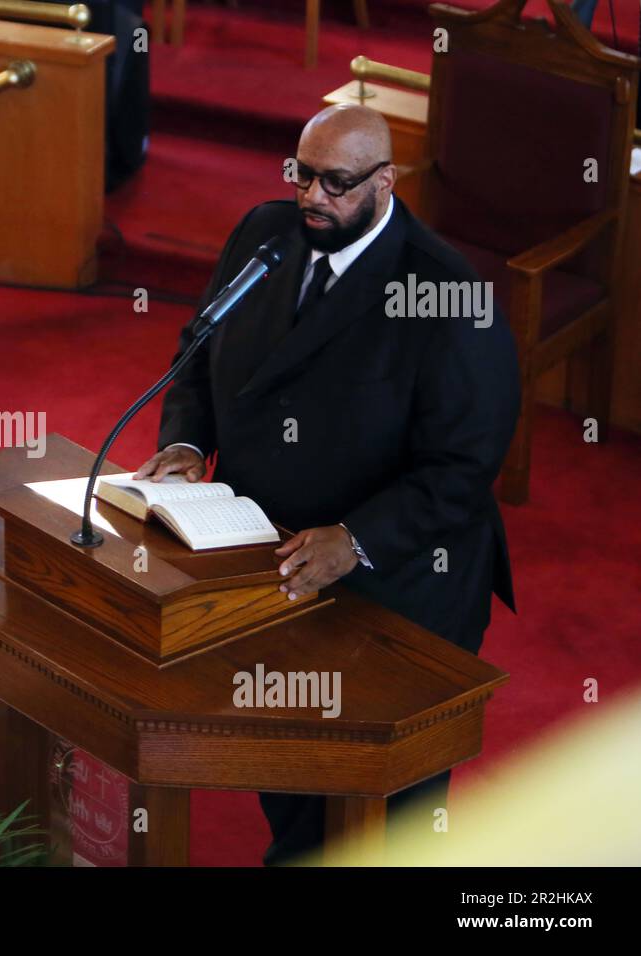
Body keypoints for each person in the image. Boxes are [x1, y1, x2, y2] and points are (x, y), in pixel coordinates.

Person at [134, 104, 521, 864]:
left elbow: (466, 465)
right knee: (289, 770)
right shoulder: (264, 233)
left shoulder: (444, 290)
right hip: (272, 555)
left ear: (385, 182)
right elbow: (200, 347)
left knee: (373, 816)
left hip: (400, 584)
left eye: (336, 184)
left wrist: (358, 539)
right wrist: (185, 441)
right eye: (302, 175)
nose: (313, 196)